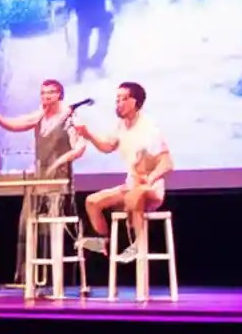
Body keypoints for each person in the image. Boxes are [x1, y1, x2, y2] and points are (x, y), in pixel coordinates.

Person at [0, 79, 87, 285]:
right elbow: (16, 125)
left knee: (53, 226)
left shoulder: (69, 117)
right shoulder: (40, 116)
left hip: (60, 181)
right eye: (43, 93)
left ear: (59, 95)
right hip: (39, 179)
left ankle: (55, 278)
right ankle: (29, 276)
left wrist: (62, 160)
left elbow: (80, 147)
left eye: (50, 93)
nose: (46, 97)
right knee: (28, 223)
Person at [72, 82, 173, 263]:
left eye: (123, 99)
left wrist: (149, 179)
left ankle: (138, 245)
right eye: (117, 99)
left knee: (134, 196)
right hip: (131, 185)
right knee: (92, 202)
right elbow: (107, 146)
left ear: (135, 102)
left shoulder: (149, 129)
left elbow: (167, 163)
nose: (118, 103)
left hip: (151, 188)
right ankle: (104, 241)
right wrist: (88, 135)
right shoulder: (120, 126)